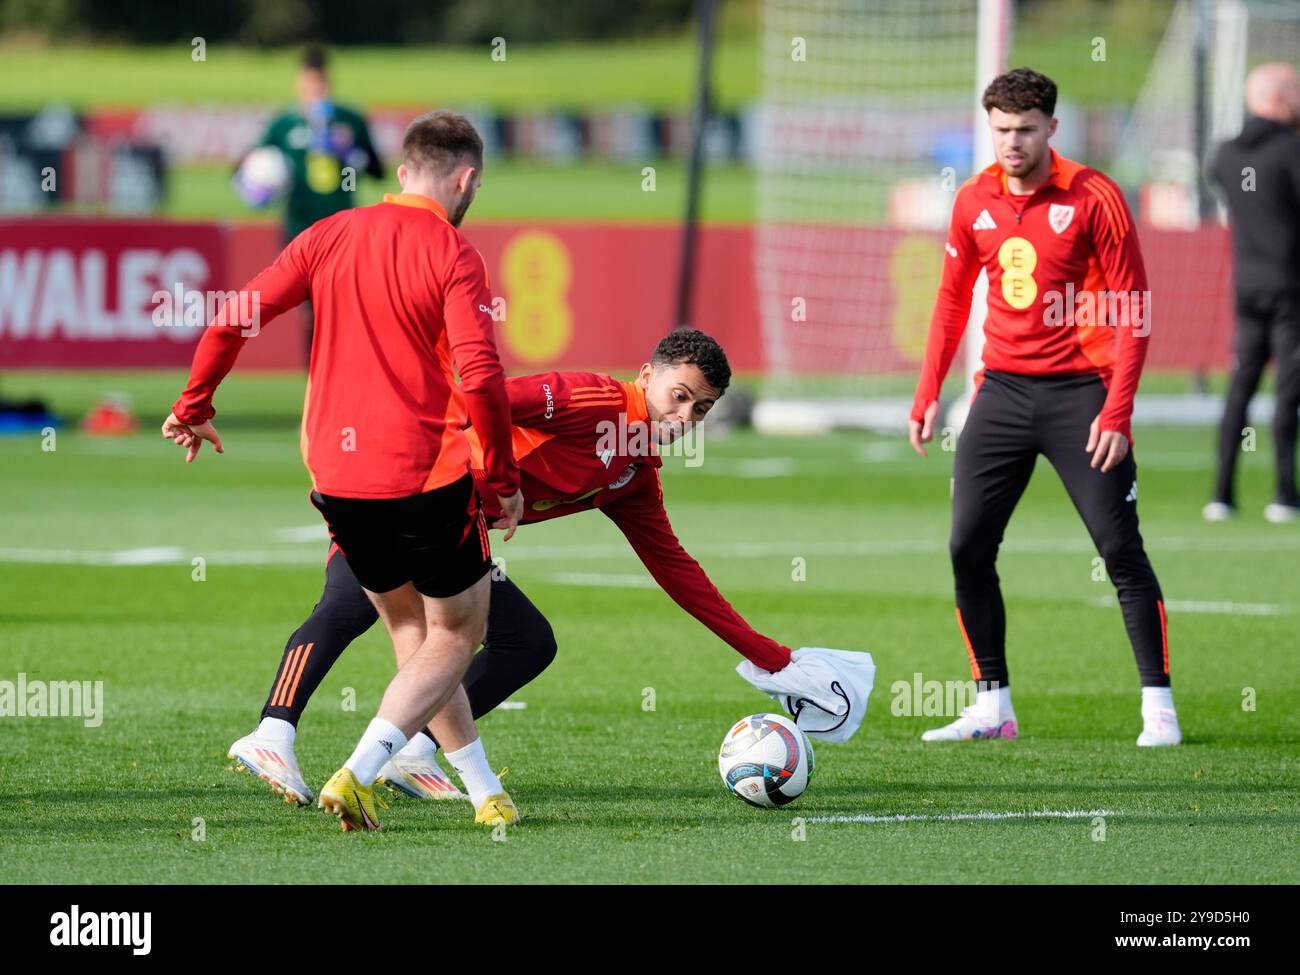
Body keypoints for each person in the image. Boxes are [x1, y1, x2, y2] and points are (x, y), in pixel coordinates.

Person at [226, 330, 877, 806]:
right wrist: (410, 472)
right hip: (410, 493)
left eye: (700, 410)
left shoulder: (633, 473)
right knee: (348, 600)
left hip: (463, 541)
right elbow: (480, 400)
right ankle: (273, 730)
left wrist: (775, 657)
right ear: (646, 374)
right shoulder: (591, 398)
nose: (684, 418)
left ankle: (415, 746)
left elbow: (679, 573)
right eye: (679, 396)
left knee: (526, 640)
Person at [163, 111, 524, 830]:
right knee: (458, 630)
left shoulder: (329, 234)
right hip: (424, 475)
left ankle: (486, 792)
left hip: (335, 478)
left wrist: (194, 401)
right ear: (468, 178)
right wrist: (504, 479)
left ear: (400, 171)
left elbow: (233, 316)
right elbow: (481, 376)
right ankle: (359, 772)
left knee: (411, 633)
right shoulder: (456, 253)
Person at [908, 68, 1179, 747]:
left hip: (1082, 393)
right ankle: (992, 705)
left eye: (1025, 129)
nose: (1011, 142)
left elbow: (1133, 310)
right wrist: (928, 393)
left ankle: (1158, 707)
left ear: (1052, 128)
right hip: (1000, 392)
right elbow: (949, 301)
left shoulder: (1095, 197)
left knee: (1118, 545)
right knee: (967, 545)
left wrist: (1117, 411)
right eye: (1000, 129)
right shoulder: (972, 200)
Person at [242, 45, 384, 362]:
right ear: (299, 85)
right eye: (309, 84)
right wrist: (256, 189)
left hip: (342, 229)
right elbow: (248, 168)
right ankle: (316, 384)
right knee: (311, 307)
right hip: (299, 228)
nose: (315, 91)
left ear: (329, 84)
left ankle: (341, 379)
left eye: (320, 84)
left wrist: (350, 154)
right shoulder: (283, 126)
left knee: (341, 307)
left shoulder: (350, 121)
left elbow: (378, 169)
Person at [1205, 62, 1300, 524]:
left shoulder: (1224, 154)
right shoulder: (1291, 150)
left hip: (1247, 286)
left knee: (1240, 385)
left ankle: (1221, 493)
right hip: (1291, 289)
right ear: (1281, 98)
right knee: (1289, 389)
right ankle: (1284, 493)